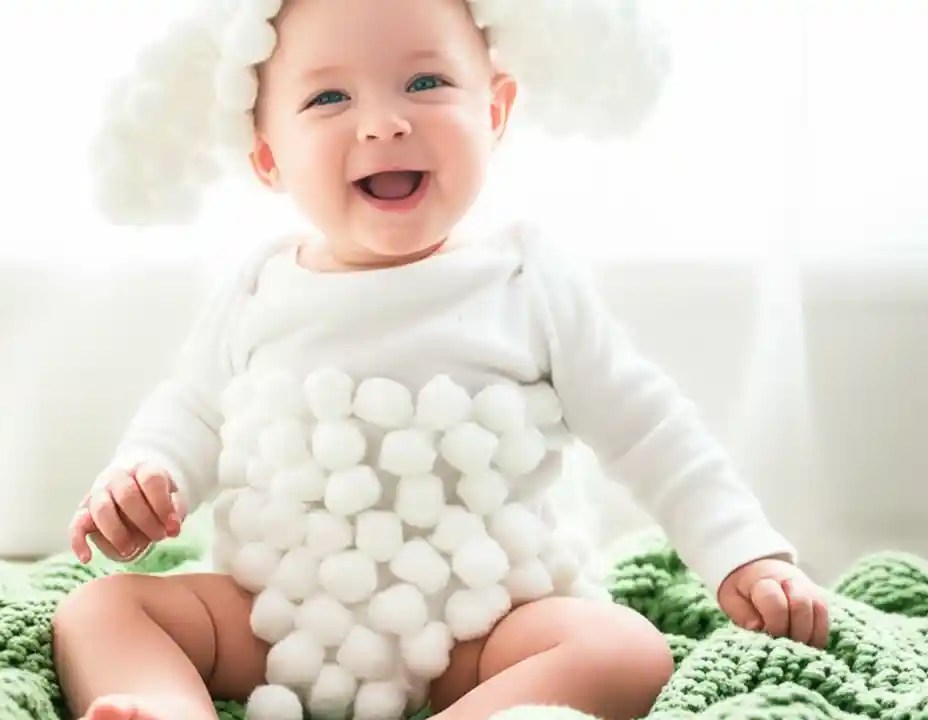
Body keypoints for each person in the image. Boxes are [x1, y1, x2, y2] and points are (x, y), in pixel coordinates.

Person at [53, 1, 830, 718]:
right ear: (267, 158)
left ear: (493, 112)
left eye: (425, 82)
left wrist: (744, 553)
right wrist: (146, 474)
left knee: (625, 651)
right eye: (329, 99)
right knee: (102, 610)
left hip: (482, 631)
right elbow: (191, 409)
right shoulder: (259, 287)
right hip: (281, 620)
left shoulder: (525, 278)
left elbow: (650, 428)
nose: (385, 124)